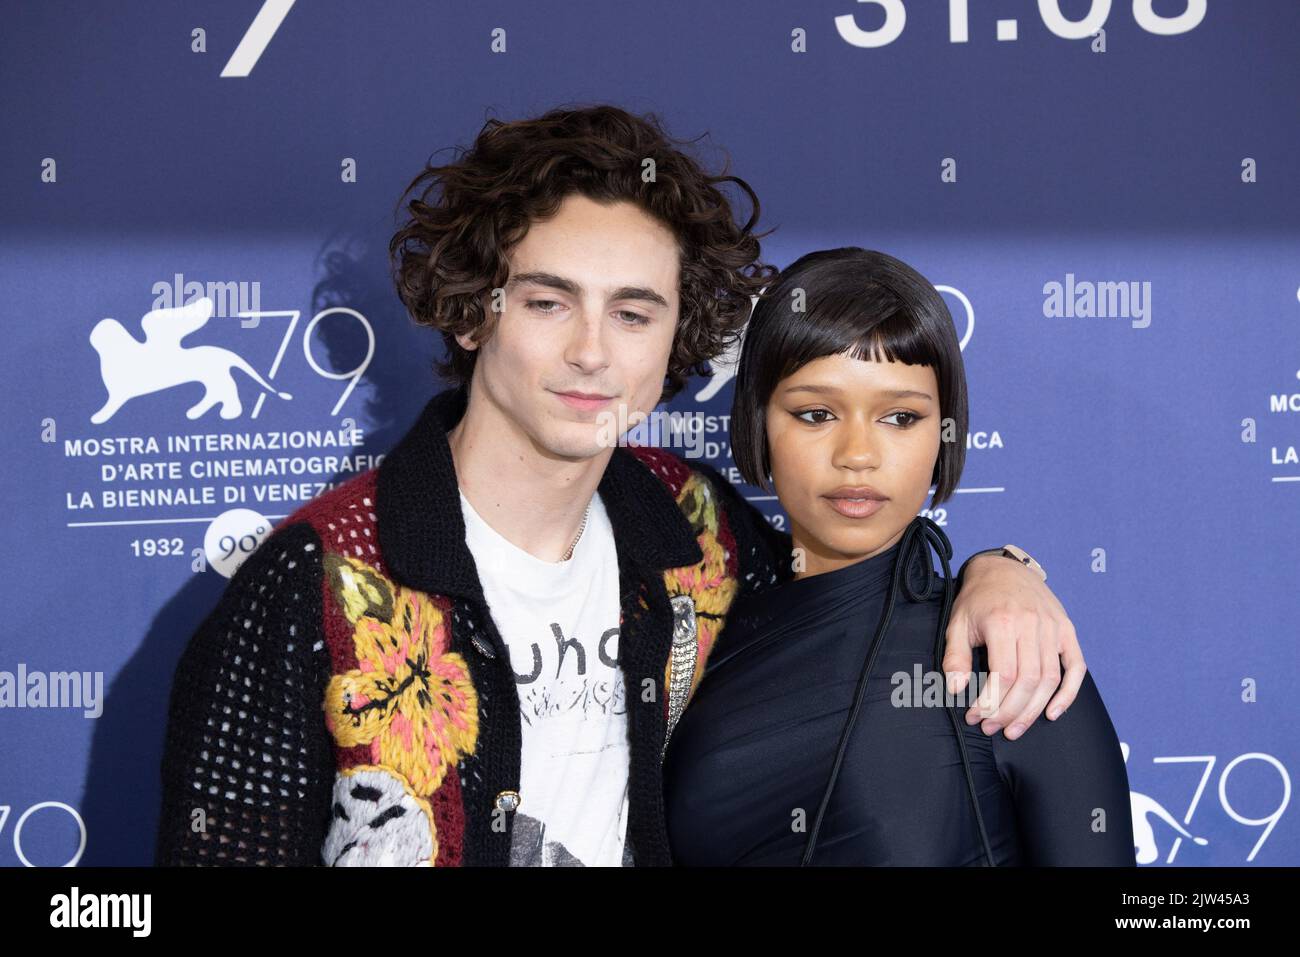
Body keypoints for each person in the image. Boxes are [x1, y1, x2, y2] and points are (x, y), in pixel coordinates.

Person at [155, 106, 1088, 867]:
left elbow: (854, 601)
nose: (593, 352)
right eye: (548, 301)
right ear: (472, 311)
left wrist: (1002, 570)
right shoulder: (316, 582)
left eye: (634, 312)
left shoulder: (697, 530)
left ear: (678, 336)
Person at [662, 247, 1135, 865]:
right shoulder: (695, 634)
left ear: (945, 435)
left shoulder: (1011, 655)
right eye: (815, 413)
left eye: (900, 417)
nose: (857, 454)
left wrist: (1002, 568)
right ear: (757, 426)